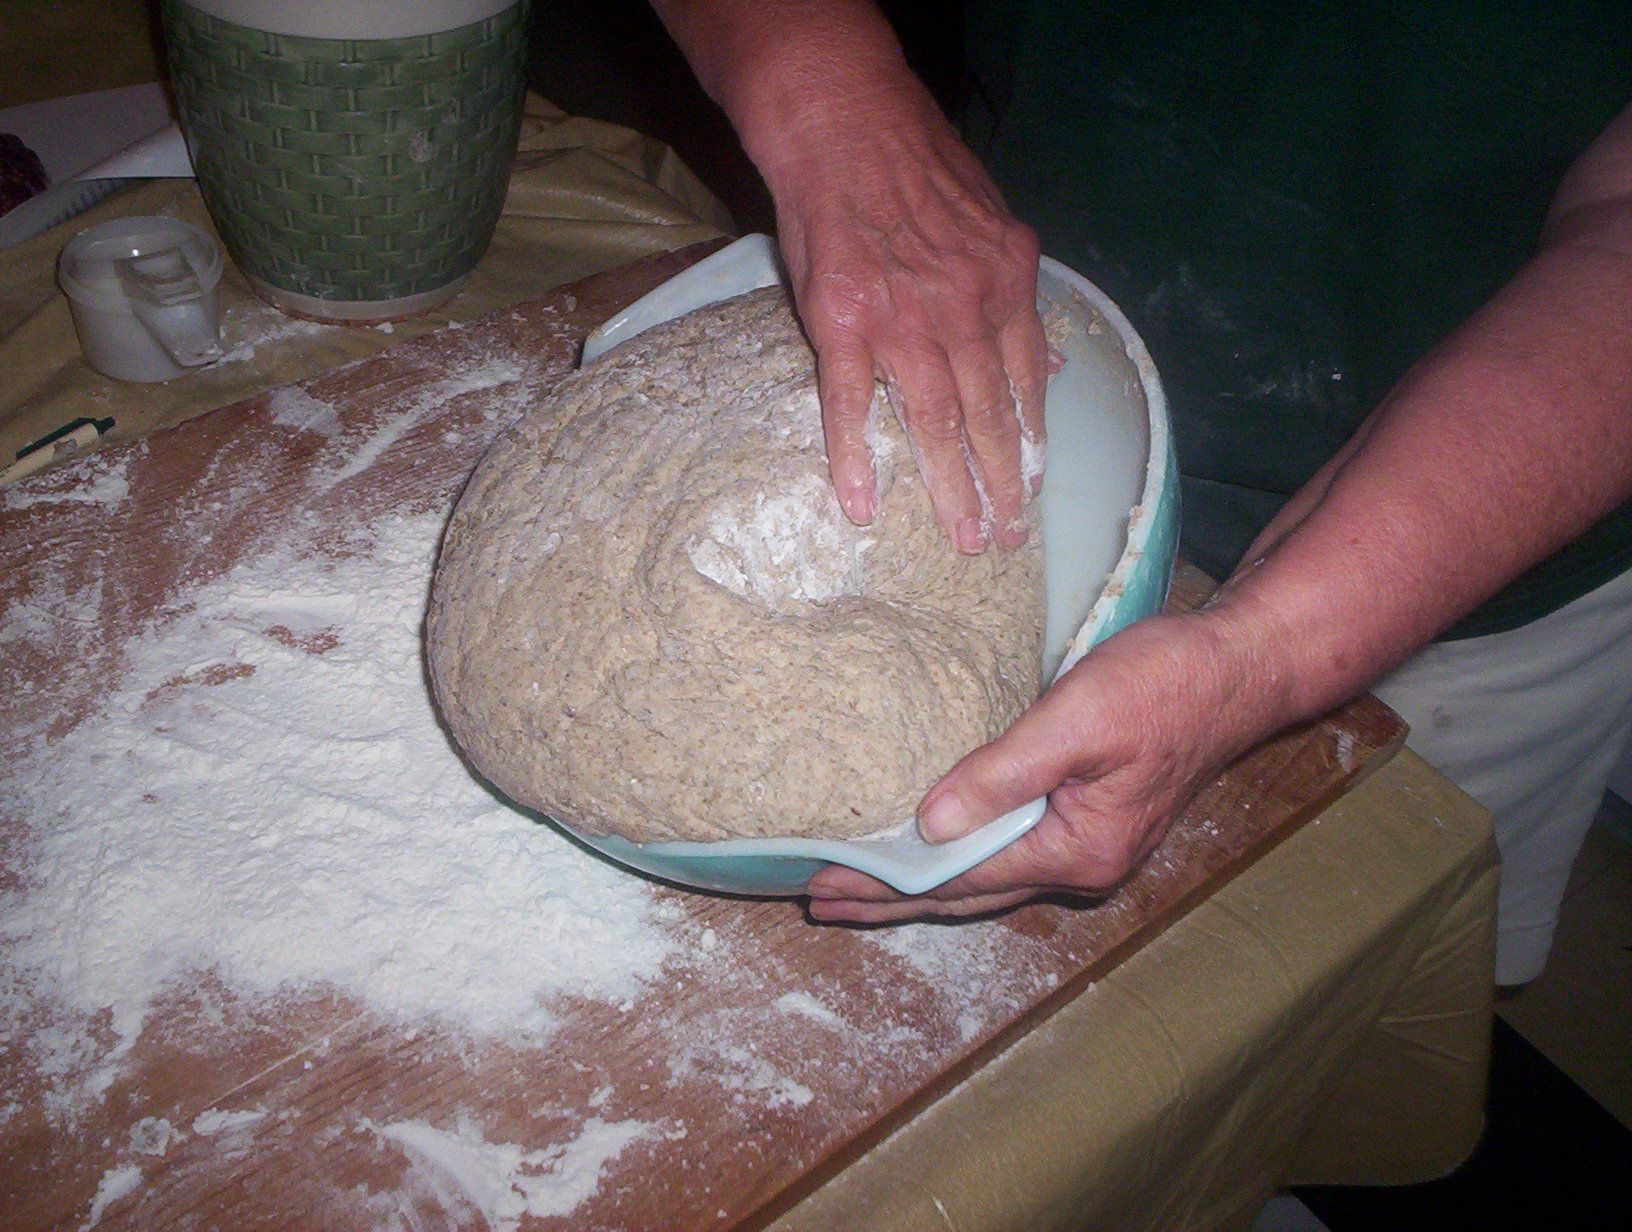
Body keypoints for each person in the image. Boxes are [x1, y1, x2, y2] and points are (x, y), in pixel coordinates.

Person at [649, 0, 1632, 984]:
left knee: (1346, 958)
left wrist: (1260, 658)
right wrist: (830, 98)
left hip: (1480, 516)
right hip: (1012, 340)